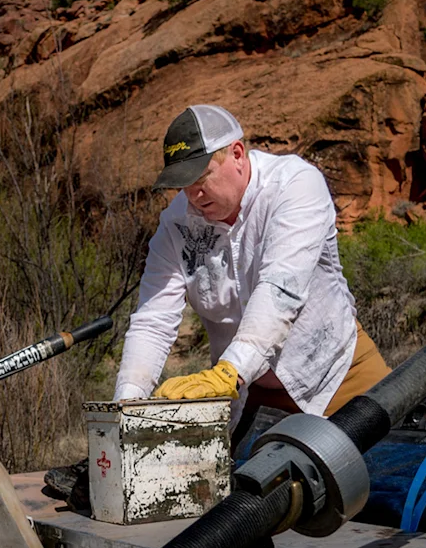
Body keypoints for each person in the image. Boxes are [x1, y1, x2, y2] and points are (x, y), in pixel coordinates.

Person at [113, 104, 390, 438]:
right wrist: (127, 408)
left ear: (237, 154)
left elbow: (280, 289)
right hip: (250, 399)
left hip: (338, 381)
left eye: (201, 178)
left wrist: (228, 372)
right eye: (182, 184)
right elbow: (152, 321)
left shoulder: (295, 185)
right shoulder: (175, 226)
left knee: (391, 479)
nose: (193, 195)